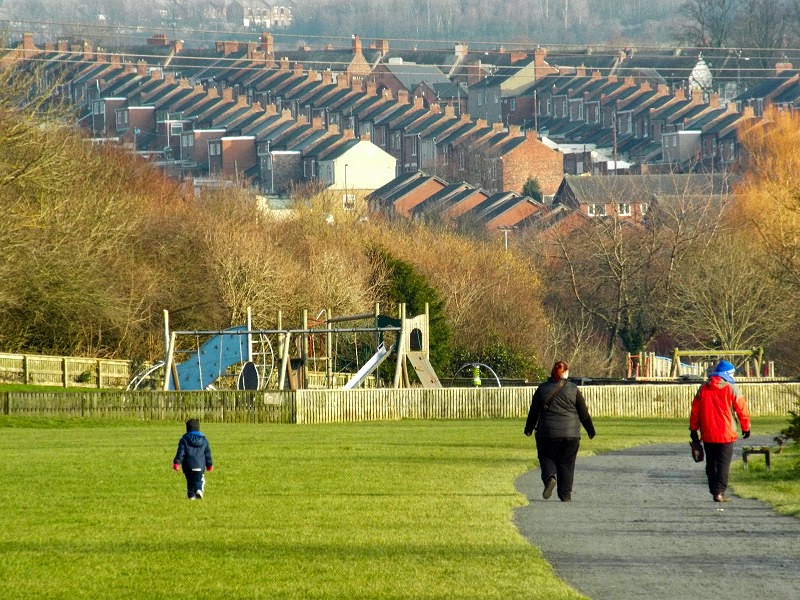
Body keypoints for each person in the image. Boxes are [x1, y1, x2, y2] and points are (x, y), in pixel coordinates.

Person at [524, 361, 595, 502]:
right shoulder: (574, 389)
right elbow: (583, 413)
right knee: (567, 463)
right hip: (571, 435)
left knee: (546, 457)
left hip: (547, 433)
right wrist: (590, 430)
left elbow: (534, 412)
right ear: (565, 372)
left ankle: (550, 477)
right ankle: (565, 495)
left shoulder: (542, 388)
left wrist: (529, 429)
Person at [690, 360, 751, 503]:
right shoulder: (732, 388)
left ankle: (713, 489)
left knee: (711, 463)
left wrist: (693, 429)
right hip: (726, 433)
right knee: (723, 464)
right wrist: (746, 427)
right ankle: (720, 492)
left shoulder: (703, 388)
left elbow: (695, 411)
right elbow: (742, 410)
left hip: (708, 432)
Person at [173, 418, 214, 500]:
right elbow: (207, 453)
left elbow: (180, 452)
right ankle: (199, 489)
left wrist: (177, 463)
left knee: (190, 481)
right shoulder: (204, 440)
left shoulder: (184, 439)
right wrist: (209, 464)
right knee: (200, 480)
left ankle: (191, 495)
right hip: (199, 465)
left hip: (187, 466)